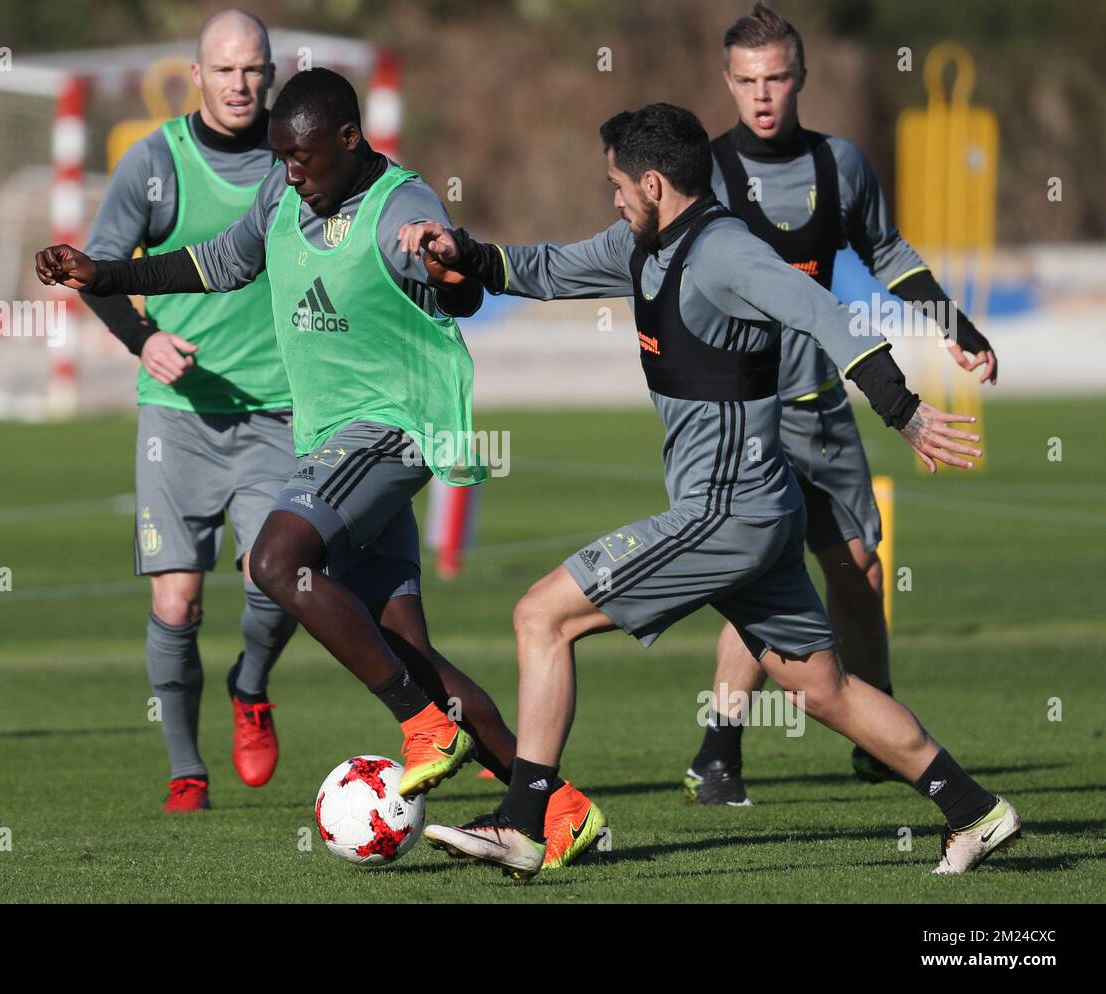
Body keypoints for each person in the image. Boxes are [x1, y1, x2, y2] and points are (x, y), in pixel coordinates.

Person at [407, 102, 1019, 878]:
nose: (613, 199)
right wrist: (460, 250)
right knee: (823, 689)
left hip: (724, 515)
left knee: (541, 616)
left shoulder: (726, 252)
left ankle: (524, 822)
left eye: (617, 186)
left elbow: (826, 313)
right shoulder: (641, 245)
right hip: (754, 515)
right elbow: (547, 269)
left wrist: (904, 411)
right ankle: (976, 811)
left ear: (654, 184)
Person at [38, 68, 606, 869]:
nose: (288, 172)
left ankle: (421, 725)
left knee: (275, 560)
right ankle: (556, 806)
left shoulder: (403, 208)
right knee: (408, 645)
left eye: (301, 157)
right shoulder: (283, 193)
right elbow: (215, 264)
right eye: (279, 157)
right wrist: (110, 275)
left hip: (390, 434)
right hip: (334, 444)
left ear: (348, 139)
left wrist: (453, 272)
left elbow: (455, 290)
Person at [682, 1, 1000, 804]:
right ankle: (717, 749)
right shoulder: (707, 173)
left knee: (856, 566)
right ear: (727, 81)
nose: (762, 95)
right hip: (746, 412)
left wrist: (953, 325)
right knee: (762, 565)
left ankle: (878, 737)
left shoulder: (841, 164)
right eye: (747, 80)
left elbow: (884, 249)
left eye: (777, 78)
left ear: (800, 79)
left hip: (826, 400)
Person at [80, 10, 296, 812]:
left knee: (276, 581)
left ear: (270, 74)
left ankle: (252, 684)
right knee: (176, 600)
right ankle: (185, 770)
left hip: (278, 413)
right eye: (225, 70)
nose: (240, 85)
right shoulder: (153, 162)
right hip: (177, 418)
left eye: (254, 70)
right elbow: (95, 272)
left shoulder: (295, 158)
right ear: (196, 76)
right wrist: (144, 339)